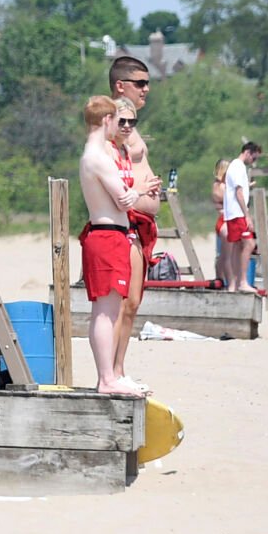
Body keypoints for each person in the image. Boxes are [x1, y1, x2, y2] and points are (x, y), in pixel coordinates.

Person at [78, 94, 146, 397]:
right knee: (106, 311)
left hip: (107, 235)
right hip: (107, 236)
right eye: (118, 121)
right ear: (107, 120)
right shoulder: (97, 157)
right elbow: (124, 198)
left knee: (106, 309)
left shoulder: (91, 155)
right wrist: (141, 188)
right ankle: (107, 378)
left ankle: (107, 376)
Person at [108, 56, 161, 377]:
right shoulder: (114, 121)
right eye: (140, 82)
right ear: (120, 85)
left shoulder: (130, 123)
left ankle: (119, 368)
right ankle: (111, 372)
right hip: (123, 219)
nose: (147, 88)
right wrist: (138, 191)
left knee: (133, 304)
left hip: (141, 222)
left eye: (148, 82)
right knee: (121, 304)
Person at [220, 141, 263, 293]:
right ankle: (242, 281)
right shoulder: (238, 166)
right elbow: (238, 192)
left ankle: (238, 281)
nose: (254, 162)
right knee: (249, 244)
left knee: (238, 247)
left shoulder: (234, 166)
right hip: (237, 213)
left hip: (233, 212)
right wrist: (247, 215)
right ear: (248, 153)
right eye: (254, 158)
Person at [210, 158, 230, 275]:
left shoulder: (217, 185)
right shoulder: (221, 187)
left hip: (222, 219)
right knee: (226, 255)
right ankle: (223, 279)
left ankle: (220, 278)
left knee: (222, 254)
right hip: (225, 220)